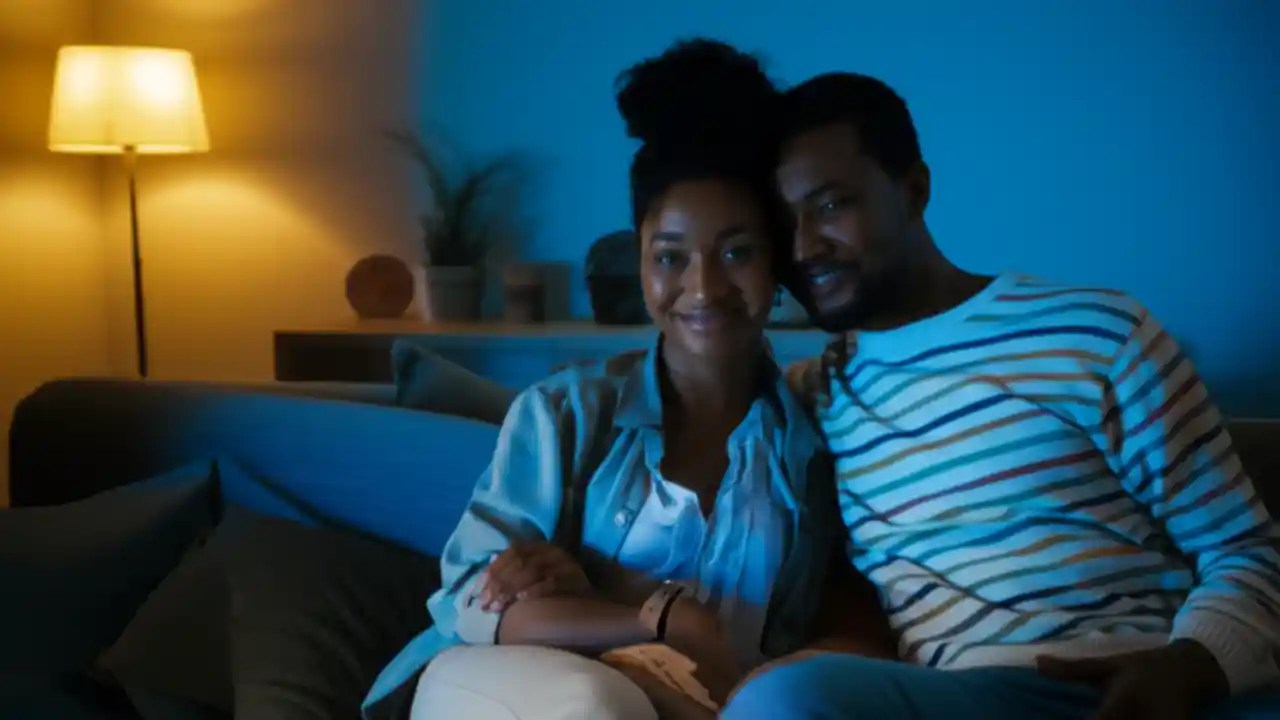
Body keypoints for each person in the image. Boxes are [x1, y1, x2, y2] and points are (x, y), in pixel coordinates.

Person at [720, 71, 1280, 719]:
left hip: (1141, 678)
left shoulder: (1093, 332)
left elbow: (1247, 549)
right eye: (782, 223)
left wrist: (1195, 664)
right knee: (782, 701)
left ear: (914, 189)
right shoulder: (812, 394)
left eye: (829, 206)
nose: (804, 248)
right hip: (962, 697)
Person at [361, 41, 889, 720]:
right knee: (593, 702)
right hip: (516, 688)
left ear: (775, 262)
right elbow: (477, 603)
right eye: (670, 257)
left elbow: (831, 628)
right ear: (639, 264)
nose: (703, 288)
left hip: (693, 704)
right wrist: (656, 617)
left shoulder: (809, 446)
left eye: (736, 252)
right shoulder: (564, 413)